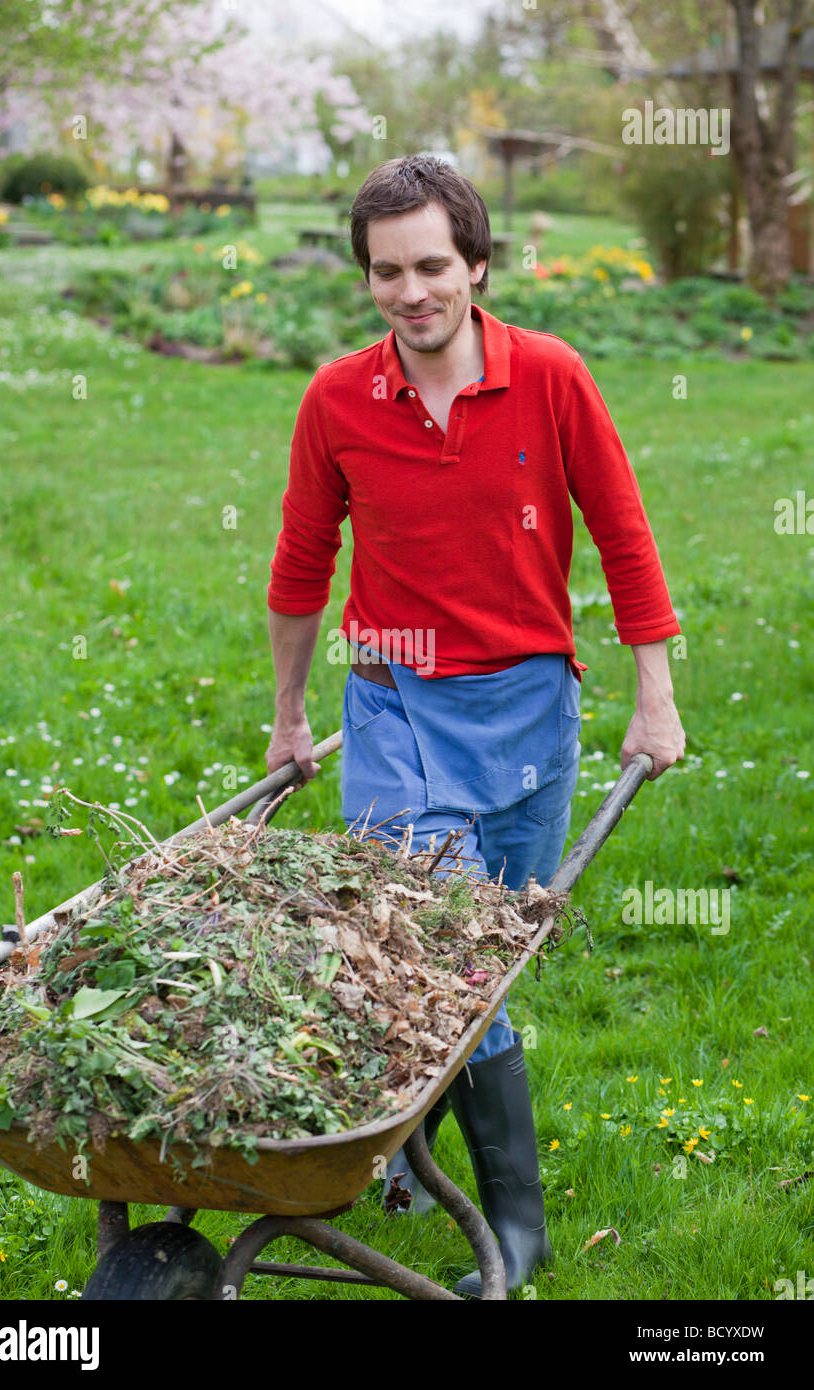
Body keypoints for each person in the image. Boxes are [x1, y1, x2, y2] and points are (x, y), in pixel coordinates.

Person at [264, 154, 685, 1298]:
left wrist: (654, 694)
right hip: (393, 700)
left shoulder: (548, 377)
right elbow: (303, 565)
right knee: (433, 949)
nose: (411, 291)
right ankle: (513, 1221)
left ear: (477, 265)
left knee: (484, 957)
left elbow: (623, 533)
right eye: (386, 272)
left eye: (432, 266)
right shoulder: (336, 401)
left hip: (529, 701)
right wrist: (289, 714)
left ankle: (409, 1150)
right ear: (366, 279)